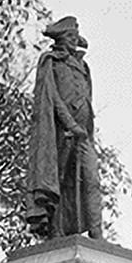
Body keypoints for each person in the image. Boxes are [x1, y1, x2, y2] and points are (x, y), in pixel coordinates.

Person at [25, 16, 103, 239]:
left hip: (84, 134)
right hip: (60, 131)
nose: (74, 40)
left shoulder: (83, 66)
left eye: (75, 36)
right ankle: (55, 231)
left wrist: (84, 128)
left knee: (92, 180)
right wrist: (69, 123)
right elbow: (51, 96)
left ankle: (97, 234)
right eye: (70, 36)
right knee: (57, 180)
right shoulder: (51, 61)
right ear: (60, 39)